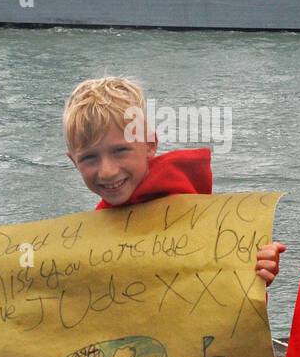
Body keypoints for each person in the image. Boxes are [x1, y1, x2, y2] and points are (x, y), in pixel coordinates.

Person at [62, 76, 283, 283]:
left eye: (120, 151)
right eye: (90, 158)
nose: (107, 171)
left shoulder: (199, 215)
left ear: (150, 144)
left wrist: (255, 269)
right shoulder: (89, 236)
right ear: (73, 161)